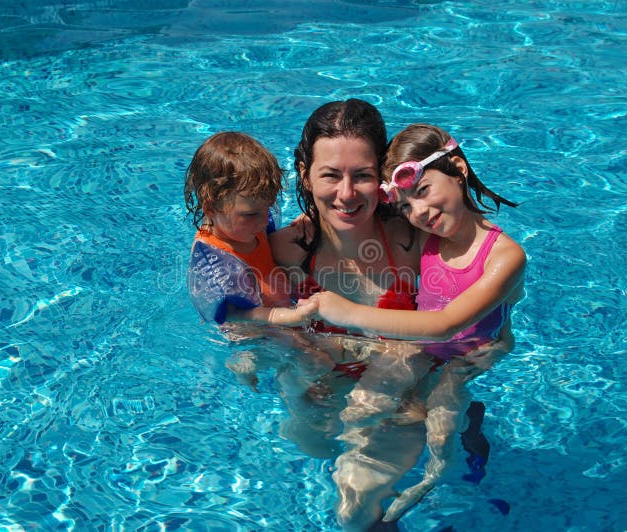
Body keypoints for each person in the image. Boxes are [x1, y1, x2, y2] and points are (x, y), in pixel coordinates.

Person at [303, 123, 527, 522]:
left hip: (461, 361)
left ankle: (427, 487)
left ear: (458, 169)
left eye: (422, 191)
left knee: (441, 437)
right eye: (405, 207)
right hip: (415, 348)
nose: (418, 213)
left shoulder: (504, 257)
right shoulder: (427, 237)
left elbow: (446, 323)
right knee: (357, 412)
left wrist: (345, 311)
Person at [269, 99, 431, 530]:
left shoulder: (412, 241)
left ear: (383, 175)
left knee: (354, 508)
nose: (346, 194)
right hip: (316, 394)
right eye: (330, 175)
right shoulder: (286, 251)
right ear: (304, 174)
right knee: (311, 451)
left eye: (362, 175)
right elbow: (249, 322)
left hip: (401, 403)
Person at [184, 131, 317, 327]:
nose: (264, 221)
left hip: (283, 300)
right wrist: (279, 316)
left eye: (268, 208)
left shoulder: (249, 216)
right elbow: (232, 315)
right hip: (256, 331)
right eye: (251, 214)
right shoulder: (213, 262)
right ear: (211, 208)